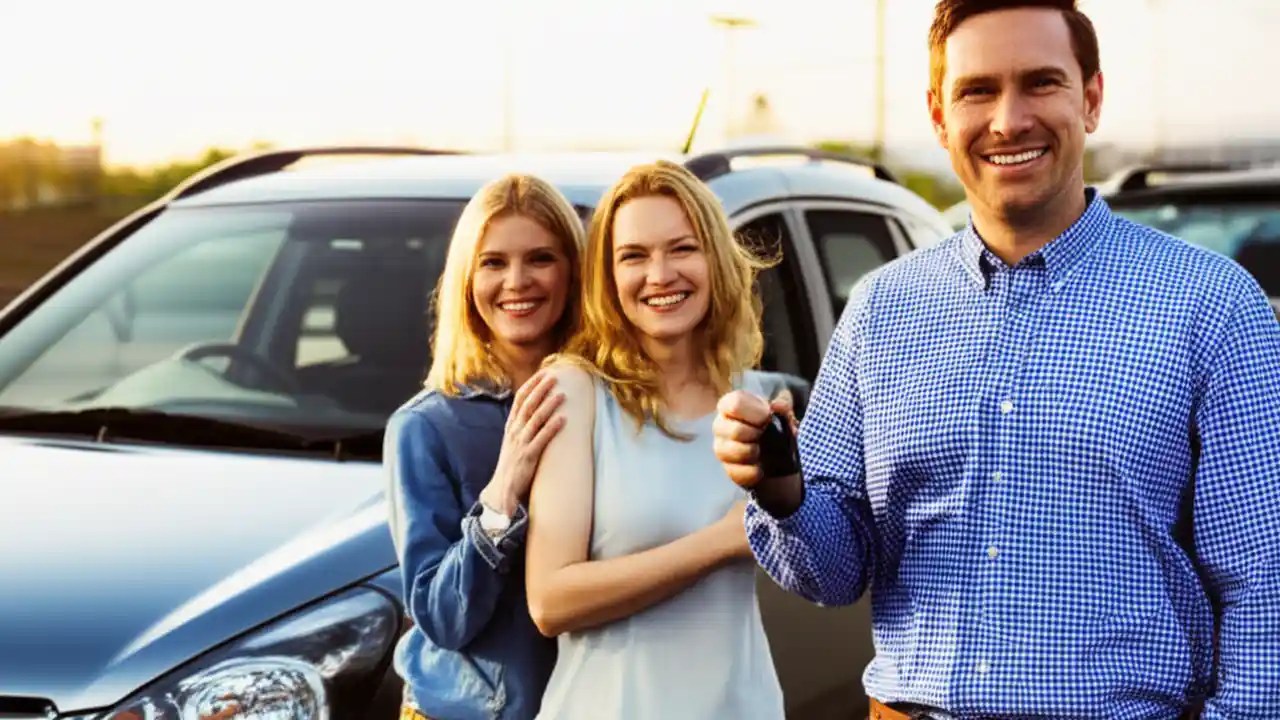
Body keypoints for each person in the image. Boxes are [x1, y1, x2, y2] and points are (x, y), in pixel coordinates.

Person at [712, 2, 1280, 719]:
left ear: (1092, 98)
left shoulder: (1212, 305)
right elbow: (834, 572)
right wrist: (781, 491)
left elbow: (1266, 587)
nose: (1009, 120)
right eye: (977, 90)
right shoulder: (881, 309)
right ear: (939, 114)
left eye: (1040, 83)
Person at [524, 160, 787, 719]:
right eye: (634, 256)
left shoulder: (754, 397)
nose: (660, 274)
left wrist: (791, 486)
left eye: (682, 248)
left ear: (715, 258)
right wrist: (720, 543)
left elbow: (812, 564)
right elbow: (548, 600)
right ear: (608, 276)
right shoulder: (577, 391)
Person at [384, 173, 585, 720]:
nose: (516, 282)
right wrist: (502, 493)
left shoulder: (609, 405)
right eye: (493, 262)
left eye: (540, 258)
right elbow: (444, 620)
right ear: (467, 279)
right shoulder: (425, 428)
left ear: (574, 271)